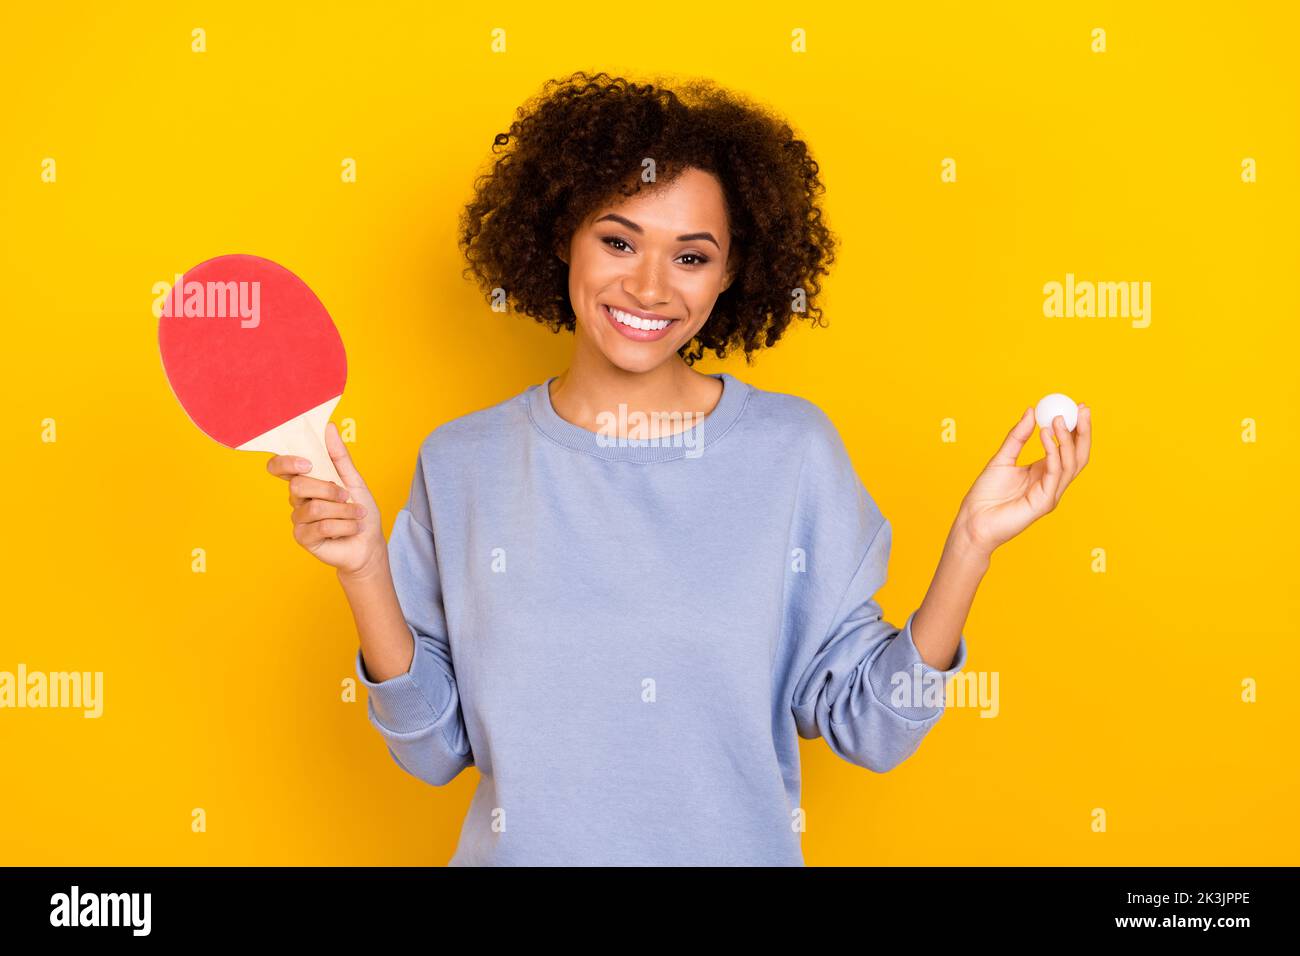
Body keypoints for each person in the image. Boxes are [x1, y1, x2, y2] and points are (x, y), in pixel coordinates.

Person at [266, 71, 1091, 865]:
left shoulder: (792, 452)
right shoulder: (463, 462)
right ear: (564, 238)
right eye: (618, 240)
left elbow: (874, 729)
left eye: (691, 256)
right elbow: (435, 752)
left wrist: (972, 545)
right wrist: (366, 570)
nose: (650, 285)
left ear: (731, 272)